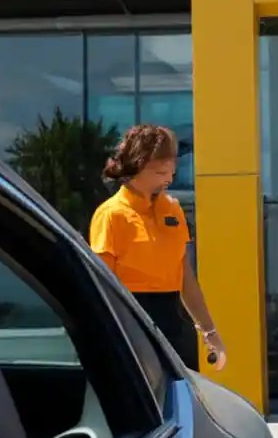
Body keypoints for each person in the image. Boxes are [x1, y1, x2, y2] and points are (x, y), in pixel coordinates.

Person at [89, 124, 227, 372]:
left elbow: (186, 278)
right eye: (160, 172)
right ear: (137, 167)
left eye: (171, 172)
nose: (168, 179)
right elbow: (102, 286)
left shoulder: (172, 210)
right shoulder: (111, 215)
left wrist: (210, 331)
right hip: (130, 323)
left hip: (174, 323)